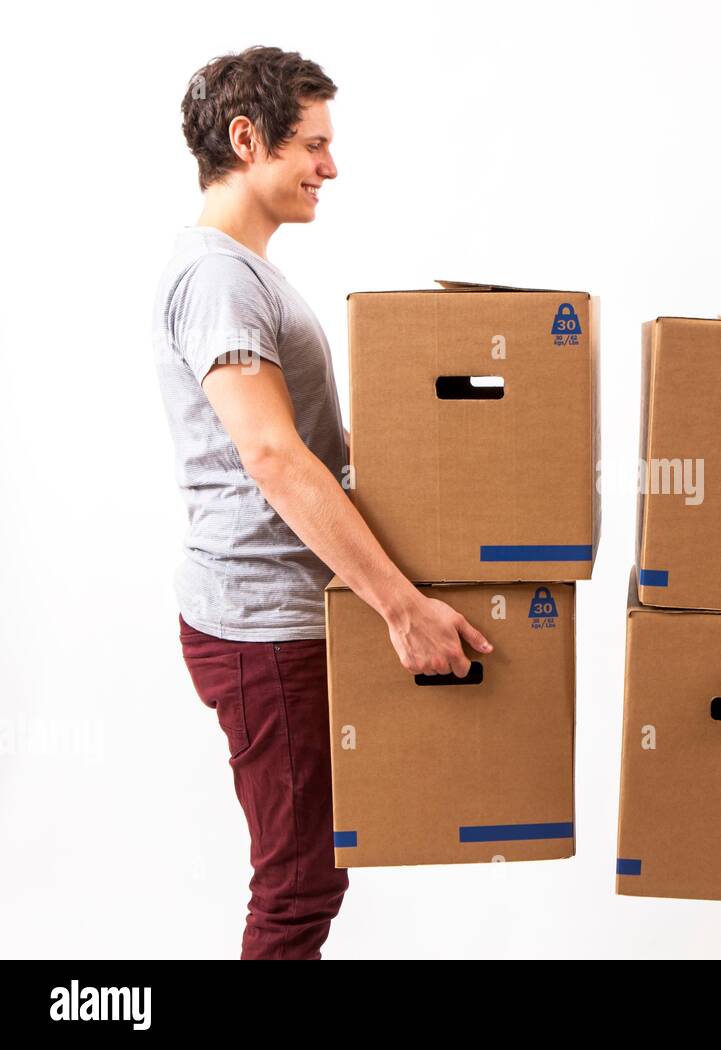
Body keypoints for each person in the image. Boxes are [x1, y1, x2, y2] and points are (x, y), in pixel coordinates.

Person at [153, 45, 492, 960]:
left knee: (311, 874)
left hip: (285, 615)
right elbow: (270, 453)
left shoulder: (243, 274)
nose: (330, 167)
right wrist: (400, 606)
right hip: (262, 623)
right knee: (298, 886)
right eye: (313, 144)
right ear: (246, 138)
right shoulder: (219, 279)